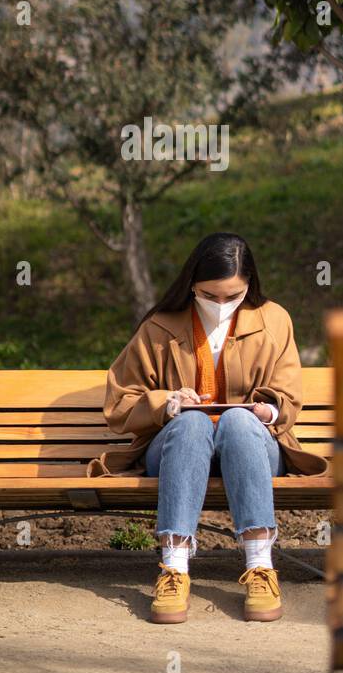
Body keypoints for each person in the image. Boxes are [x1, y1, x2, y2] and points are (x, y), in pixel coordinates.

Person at [87, 232, 327, 623]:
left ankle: (261, 567)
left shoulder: (274, 320)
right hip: (177, 448)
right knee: (193, 422)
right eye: (208, 295)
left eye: (231, 296)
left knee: (238, 419)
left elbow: (288, 396)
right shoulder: (159, 326)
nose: (220, 305)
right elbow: (120, 403)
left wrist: (268, 411)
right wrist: (167, 403)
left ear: (249, 285)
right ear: (191, 285)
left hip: (251, 446)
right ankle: (174, 569)